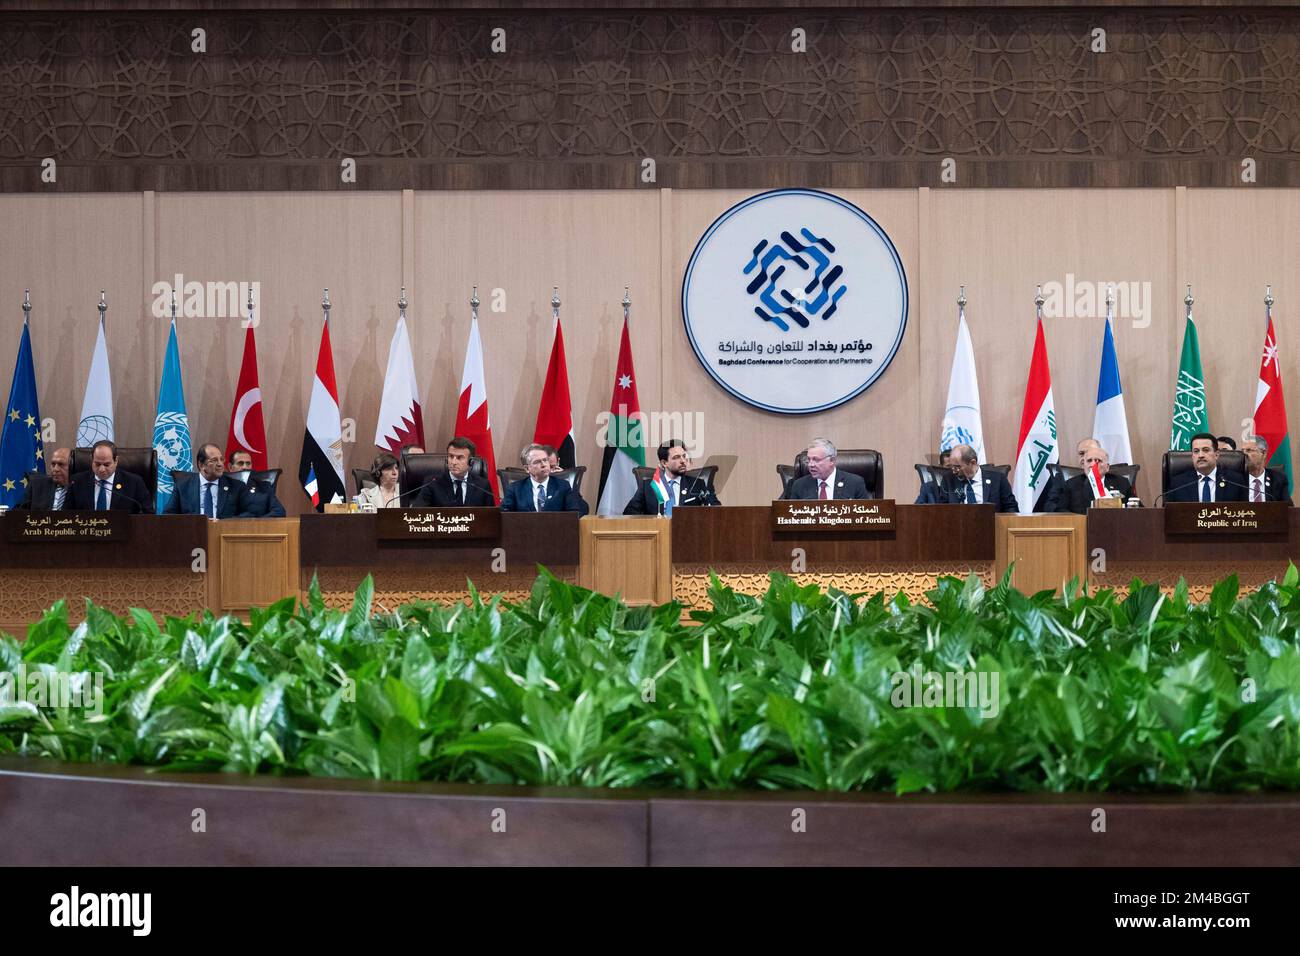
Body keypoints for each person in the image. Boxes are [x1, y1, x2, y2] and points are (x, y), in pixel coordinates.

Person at [624, 439, 720, 514]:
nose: (683, 461)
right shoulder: (648, 486)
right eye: (676, 457)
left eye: (683, 456)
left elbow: (717, 511)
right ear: (664, 463)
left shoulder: (698, 484)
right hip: (658, 535)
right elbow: (629, 513)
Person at [165, 443, 251, 518]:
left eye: (221, 459)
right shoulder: (183, 485)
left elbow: (248, 513)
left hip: (222, 533)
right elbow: (168, 516)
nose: (220, 464)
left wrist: (224, 523)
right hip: (192, 533)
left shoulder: (236, 487)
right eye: (214, 460)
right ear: (201, 465)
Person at [67, 440, 153, 513]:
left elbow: (148, 515)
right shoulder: (76, 482)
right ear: (91, 459)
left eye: (106, 464)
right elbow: (66, 515)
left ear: (116, 461)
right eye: (97, 464)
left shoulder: (134, 483)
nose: (101, 469)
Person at [501, 443, 589, 513]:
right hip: (525, 533)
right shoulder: (515, 489)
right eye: (537, 462)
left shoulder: (563, 486)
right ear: (527, 468)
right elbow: (504, 514)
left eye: (545, 460)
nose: (543, 464)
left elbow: (577, 512)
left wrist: (574, 489)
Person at [414, 437, 495, 507]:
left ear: (471, 462)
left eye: (459, 458)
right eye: (451, 456)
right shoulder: (432, 483)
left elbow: (490, 518)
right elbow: (417, 513)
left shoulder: (482, 486)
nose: (453, 462)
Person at [1165, 432, 1247, 502]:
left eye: (1206, 450)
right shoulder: (1178, 484)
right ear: (1192, 456)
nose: (1200, 455)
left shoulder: (1235, 481)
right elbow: (1168, 512)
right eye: (1196, 451)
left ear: (1216, 454)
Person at [781, 438, 869, 500]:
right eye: (808, 459)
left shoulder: (855, 483)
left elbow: (866, 518)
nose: (811, 464)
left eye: (816, 460)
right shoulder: (799, 485)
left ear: (832, 460)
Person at [1054, 444, 1132, 513]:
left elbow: (1136, 507)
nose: (1093, 464)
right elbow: (1061, 510)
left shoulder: (1122, 482)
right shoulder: (1071, 484)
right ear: (1083, 466)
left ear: (1107, 467)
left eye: (1098, 461)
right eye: (1089, 461)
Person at [947, 443, 1018, 512]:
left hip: (992, 522)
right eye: (952, 467)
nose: (954, 472)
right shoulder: (948, 480)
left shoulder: (998, 479)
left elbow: (1011, 508)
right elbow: (943, 510)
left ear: (973, 463)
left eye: (957, 467)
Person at [226, 450, 286, 517]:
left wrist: (257, 523)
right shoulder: (223, 486)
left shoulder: (263, 486)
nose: (245, 467)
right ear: (230, 467)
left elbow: (279, 511)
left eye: (248, 463)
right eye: (240, 463)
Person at [14, 446, 71, 510]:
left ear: (72, 465)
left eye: (61, 464)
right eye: (53, 464)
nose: (55, 469)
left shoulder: (80, 489)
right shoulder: (36, 486)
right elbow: (17, 513)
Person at [1242, 434, 1292, 504]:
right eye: (1242, 451)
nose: (1244, 454)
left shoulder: (1278, 479)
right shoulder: (1235, 480)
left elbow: (1288, 509)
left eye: (1249, 450)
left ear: (1263, 453)